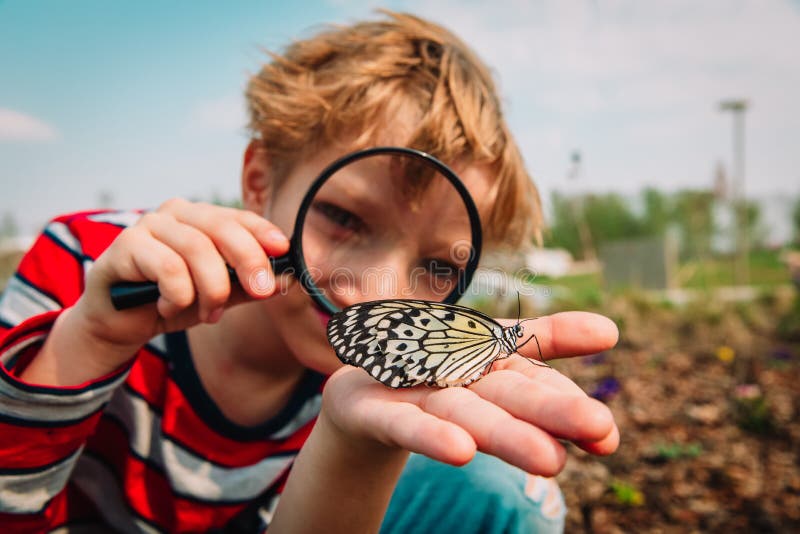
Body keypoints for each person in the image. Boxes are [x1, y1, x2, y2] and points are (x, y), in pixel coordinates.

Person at [0, 11, 619, 533]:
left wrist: (352, 452)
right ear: (259, 180)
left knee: (501, 492)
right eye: (344, 219)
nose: (373, 289)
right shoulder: (92, 266)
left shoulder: (392, 374)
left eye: (435, 264)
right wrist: (90, 337)